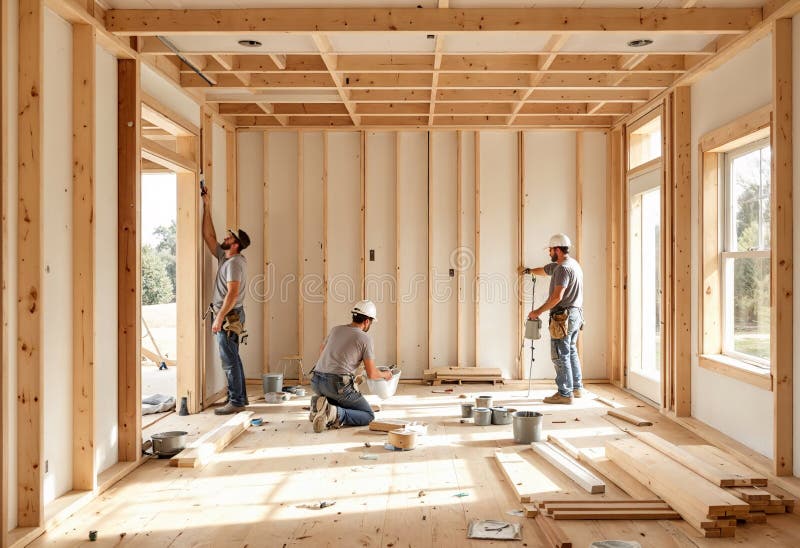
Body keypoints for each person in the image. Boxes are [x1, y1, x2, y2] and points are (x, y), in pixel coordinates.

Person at [202, 190, 251, 415]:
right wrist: (207, 206)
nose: (225, 237)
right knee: (232, 357)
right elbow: (209, 237)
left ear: (236, 244)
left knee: (229, 360)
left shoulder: (234, 264)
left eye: (229, 237)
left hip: (229, 315)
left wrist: (219, 318)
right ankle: (239, 399)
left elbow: (232, 293)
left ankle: (237, 401)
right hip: (227, 314)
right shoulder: (226, 257)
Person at [309, 300, 393, 433]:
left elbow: (322, 351)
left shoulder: (336, 330)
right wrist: (386, 375)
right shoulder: (365, 339)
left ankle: (319, 404)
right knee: (368, 415)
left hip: (316, 381)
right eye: (370, 322)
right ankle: (334, 413)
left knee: (340, 397)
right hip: (336, 385)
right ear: (366, 321)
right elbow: (372, 374)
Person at [522, 233, 584, 404]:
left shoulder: (563, 269)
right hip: (575, 314)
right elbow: (545, 270)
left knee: (559, 354)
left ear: (557, 249)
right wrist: (528, 271)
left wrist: (537, 311)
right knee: (570, 350)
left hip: (562, 317)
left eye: (550, 250)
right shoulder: (571, 265)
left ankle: (565, 394)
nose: (549, 253)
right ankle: (577, 388)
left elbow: (557, 297)